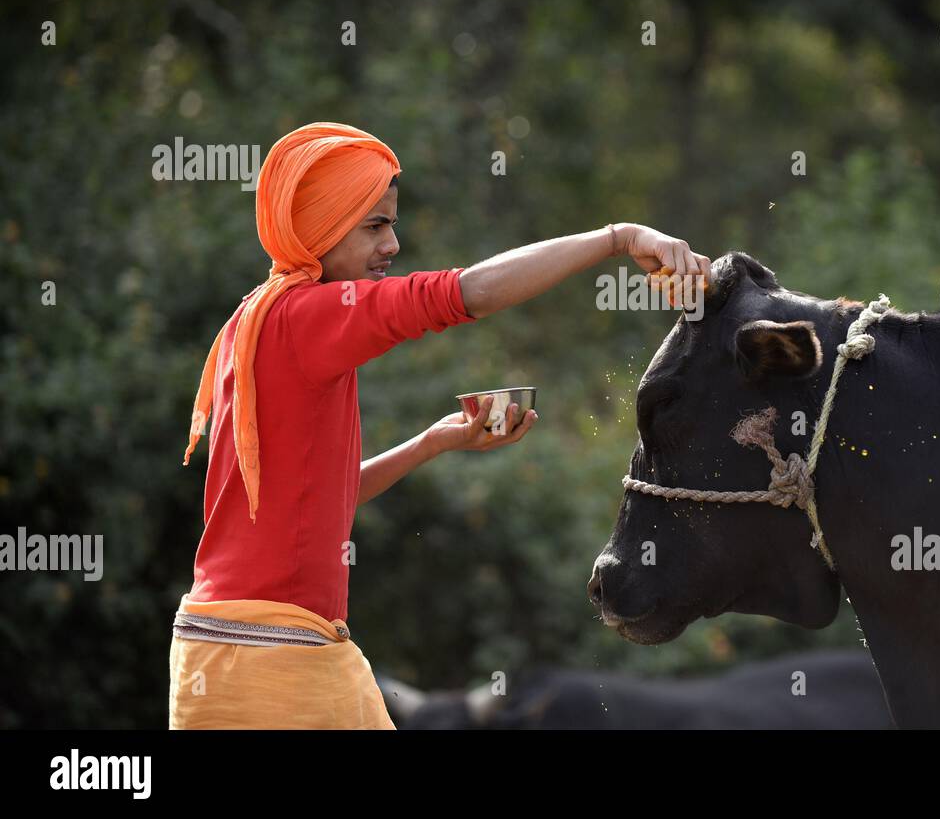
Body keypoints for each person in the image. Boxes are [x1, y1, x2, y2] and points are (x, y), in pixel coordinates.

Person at [168, 122, 710, 728]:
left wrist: (432, 442)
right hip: (272, 663)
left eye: (391, 224)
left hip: (218, 654)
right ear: (320, 229)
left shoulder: (258, 318)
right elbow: (464, 294)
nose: (392, 245)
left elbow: (322, 504)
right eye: (374, 225)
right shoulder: (306, 317)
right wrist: (618, 237)